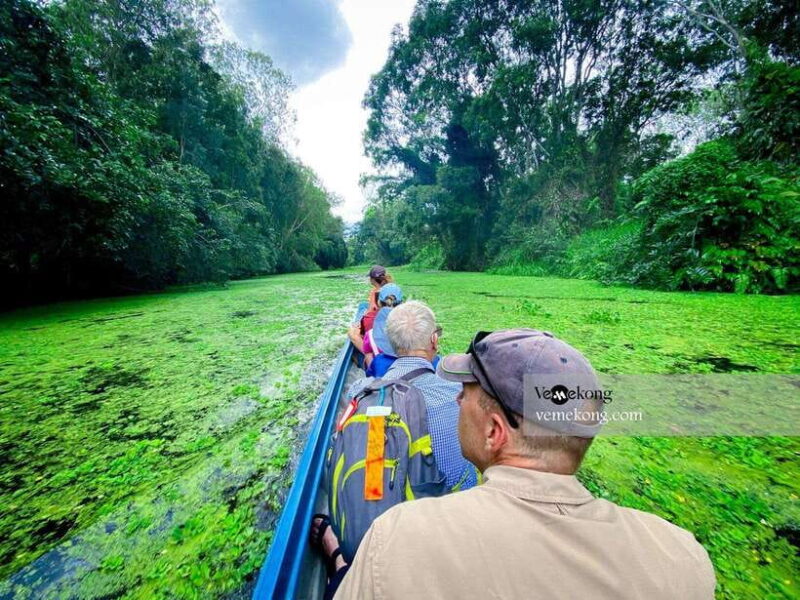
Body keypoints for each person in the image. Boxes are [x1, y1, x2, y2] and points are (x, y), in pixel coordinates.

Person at [331, 328, 716, 599]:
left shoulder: (399, 537)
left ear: (495, 432)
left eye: (464, 393)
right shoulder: (683, 557)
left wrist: (338, 560)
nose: (456, 402)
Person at [312, 302, 479, 597]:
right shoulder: (459, 396)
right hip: (448, 538)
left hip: (383, 537)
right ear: (434, 341)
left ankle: (340, 558)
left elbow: (366, 461)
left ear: (390, 343)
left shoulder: (363, 393)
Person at [347, 266, 394, 365]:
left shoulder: (374, 293)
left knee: (353, 333)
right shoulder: (393, 289)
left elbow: (370, 311)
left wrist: (360, 324)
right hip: (389, 333)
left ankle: (368, 355)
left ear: (372, 279)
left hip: (374, 328)